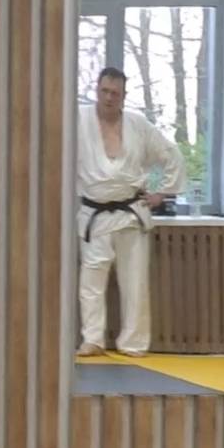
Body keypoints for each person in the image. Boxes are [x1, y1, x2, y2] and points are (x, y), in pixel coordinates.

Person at [75, 67, 186, 357]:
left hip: (130, 213)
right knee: (91, 283)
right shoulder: (78, 120)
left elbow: (171, 154)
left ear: (124, 96)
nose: (109, 97)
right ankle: (93, 339)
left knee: (135, 283)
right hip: (94, 214)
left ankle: (133, 342)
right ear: (97, 90)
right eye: (104, 91)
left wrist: (163, 192)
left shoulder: (138, 125)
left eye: (115, 93)